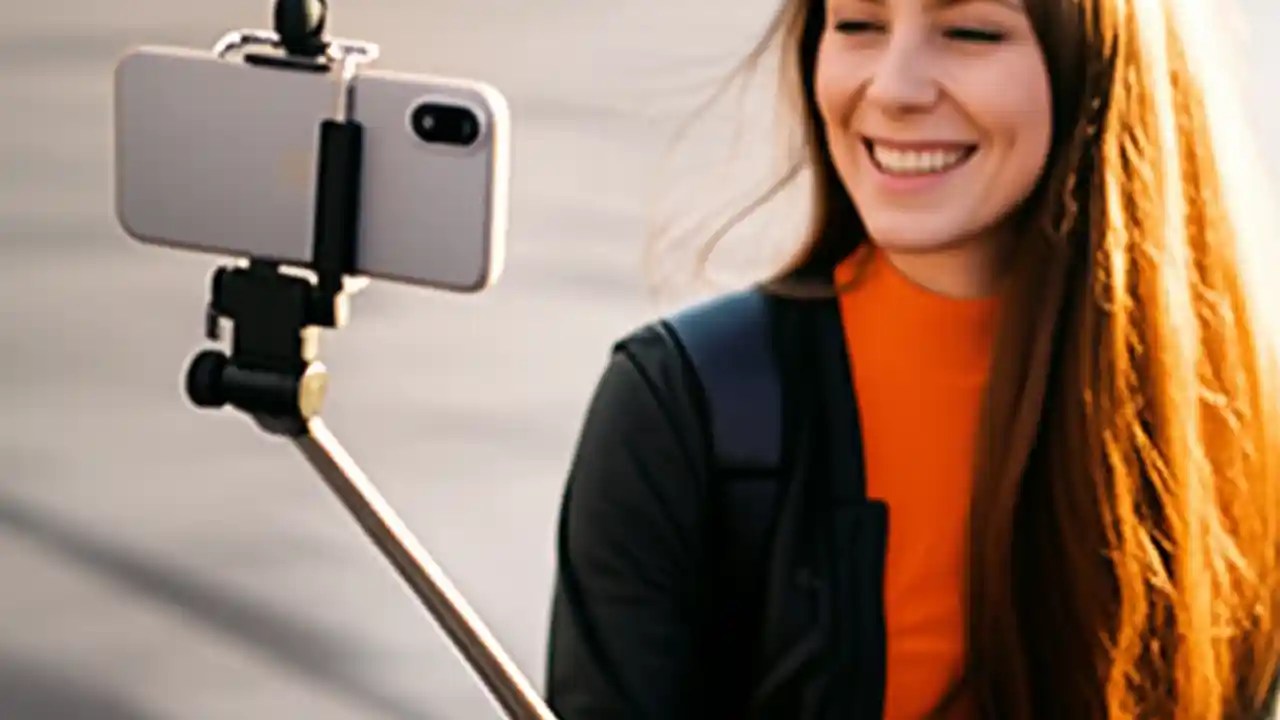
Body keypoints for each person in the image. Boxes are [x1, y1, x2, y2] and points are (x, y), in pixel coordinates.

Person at [544, 0, 1280, 717]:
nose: (894, 89)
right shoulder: (683, 407)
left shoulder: (1238, 427)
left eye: (968, 31)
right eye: (858, 25)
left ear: (1097, 66)